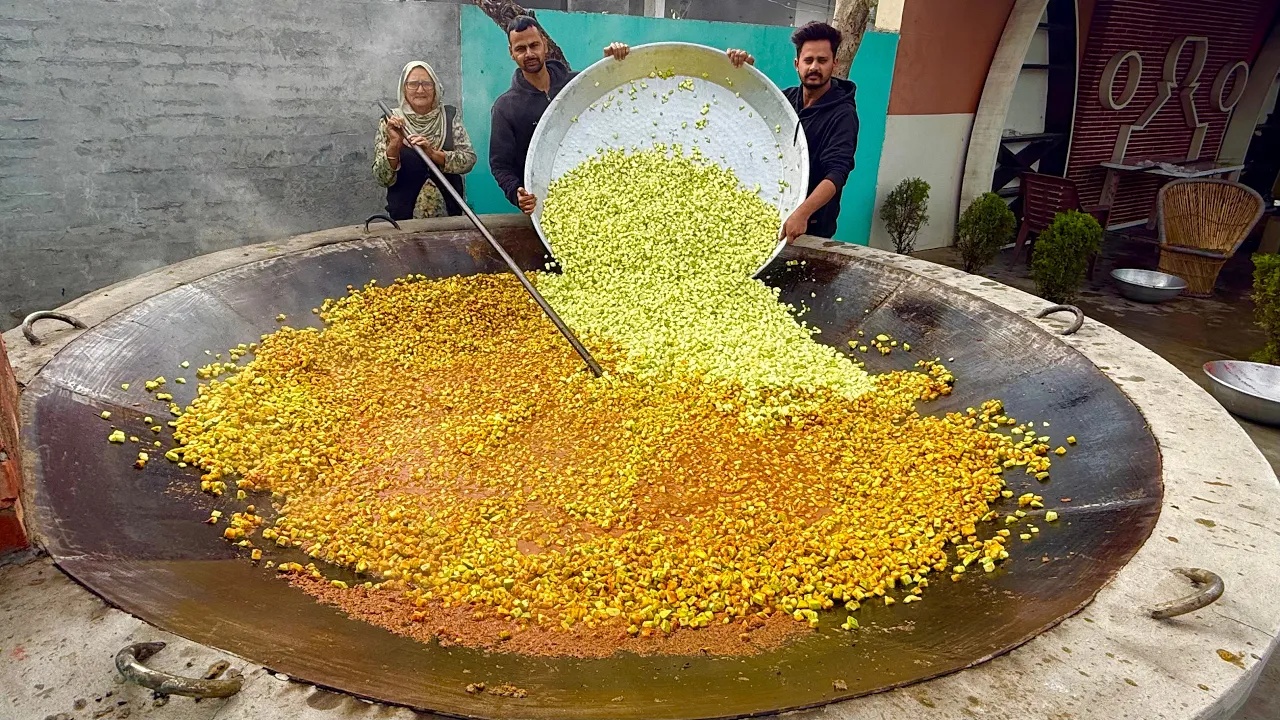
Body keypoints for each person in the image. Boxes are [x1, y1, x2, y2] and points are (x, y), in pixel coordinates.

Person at [489, 15, 755, 214]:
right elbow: (500, 165)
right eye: (520, 49)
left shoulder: (576, 86)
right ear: (511, 53)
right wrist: (516, 193)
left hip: (605, 196)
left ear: (544, 45)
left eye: (534, 45)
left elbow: (619, 97)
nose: (529, 53)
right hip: (550, 205)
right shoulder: (506, 107)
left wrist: (615, 60)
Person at [778, 22, 860, 242]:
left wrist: (803, 213)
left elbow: (837, 173)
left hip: (811, 226)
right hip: (774, 213)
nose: (814, 67)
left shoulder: (843, 115)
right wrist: (742, 69)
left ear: (834, 63)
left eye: (822, 60)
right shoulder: (785, 101)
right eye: (808, 60)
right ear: (797, 64)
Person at [373, 61, 477, 220]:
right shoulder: (390, 121)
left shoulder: (449, 116)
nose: (420, 90)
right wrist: (394, 145)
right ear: (404, 88)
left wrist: (433, 154)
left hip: (449, 218)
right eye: (413, 84)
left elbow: (468, 160)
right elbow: (382, 178)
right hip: (405, 220)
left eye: (427, 84)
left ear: (435, 87)